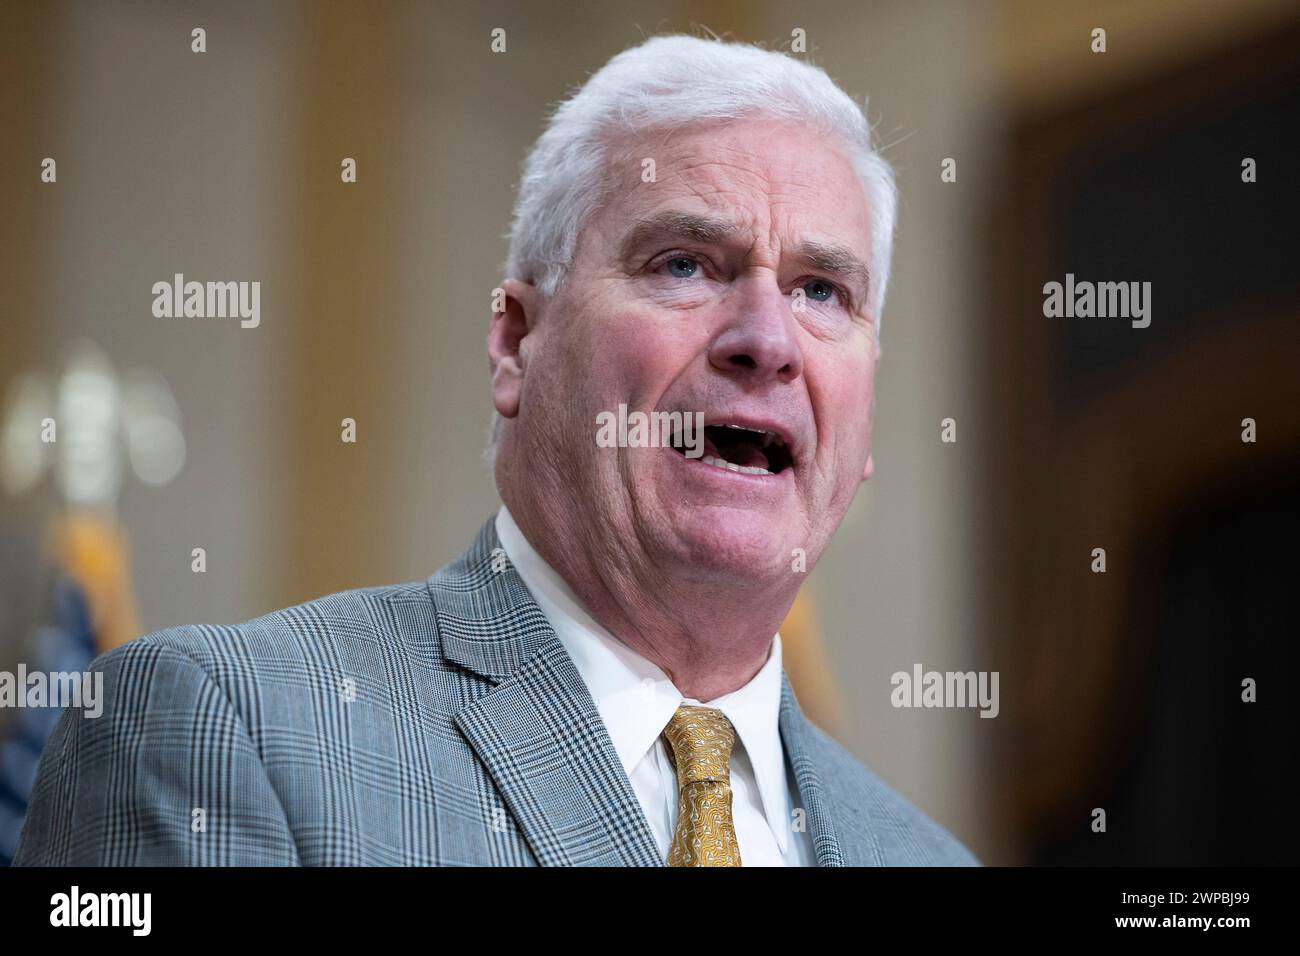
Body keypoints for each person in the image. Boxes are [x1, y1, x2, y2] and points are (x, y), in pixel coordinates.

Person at [15, 34, 978, 867]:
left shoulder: (930, 858)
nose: (767, 339)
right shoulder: (227, 737)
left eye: (822, 292)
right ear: (518, 341)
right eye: (685, 263)